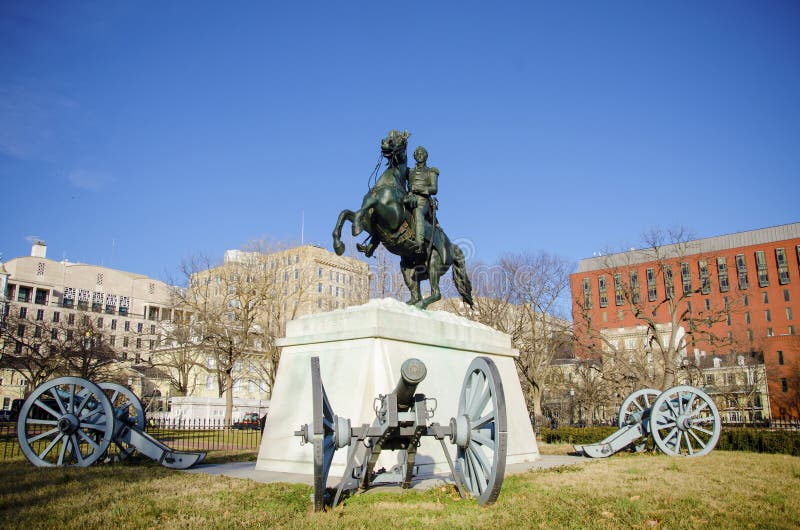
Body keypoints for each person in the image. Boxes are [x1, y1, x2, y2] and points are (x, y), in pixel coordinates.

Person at [405, 146, 438, 253]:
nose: (420, 155)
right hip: (409, 199)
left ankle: (419, 243)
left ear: (426, 156)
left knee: (418, 212)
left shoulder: (431, 171)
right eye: (417, 154)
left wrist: (418, 188)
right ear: (414, 156)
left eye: (422, 153)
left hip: (423, 202)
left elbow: (434, 189)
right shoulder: (409, 171)